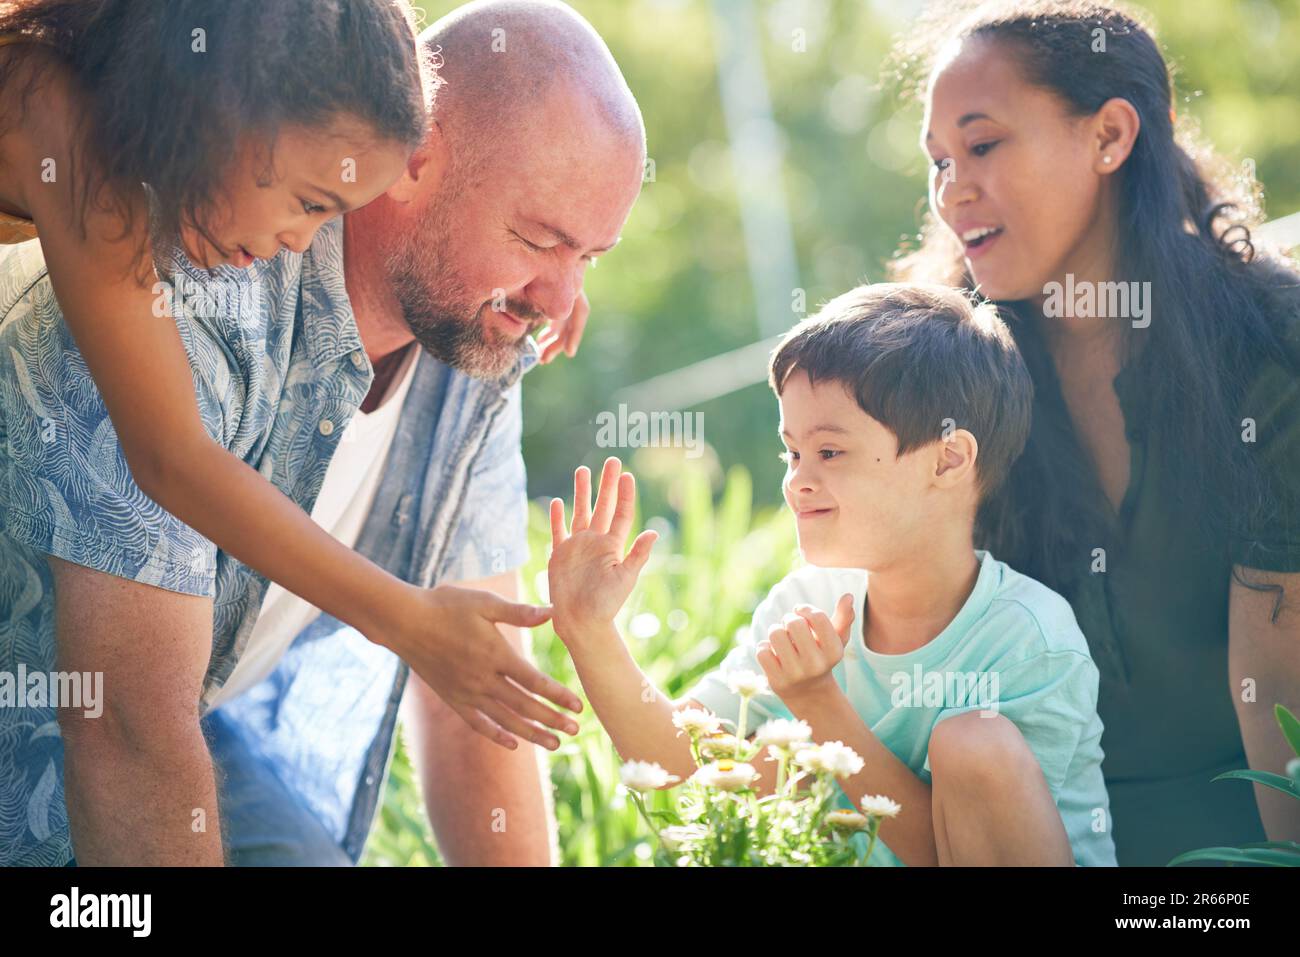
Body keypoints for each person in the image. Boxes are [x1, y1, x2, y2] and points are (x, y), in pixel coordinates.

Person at [0, 0, 645, 865]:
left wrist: (533, 273)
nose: (560, 306)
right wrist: (404, 616)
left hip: (195, 723)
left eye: (588, 259)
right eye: (538, 237)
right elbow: (170, 470)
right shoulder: (150, 223)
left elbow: (477, 703)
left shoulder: (469, 332)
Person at [888, 0, 1300, 864]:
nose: (951, 188)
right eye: (937, 161)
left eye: (983, 144)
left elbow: (1281, 712)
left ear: (1110, 135)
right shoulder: (942, 379)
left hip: (1239, 844)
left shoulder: (1271, 351)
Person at [546, 283, 1118, 866]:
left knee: (974, 745)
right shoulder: (806, 603)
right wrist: (589, 628)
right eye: (792, 453)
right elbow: (679, 758)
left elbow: (941, 858)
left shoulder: (1029, 641)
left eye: (831, 452)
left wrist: (818, 703)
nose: (796, 481)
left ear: (947, 459)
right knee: (770, 764)